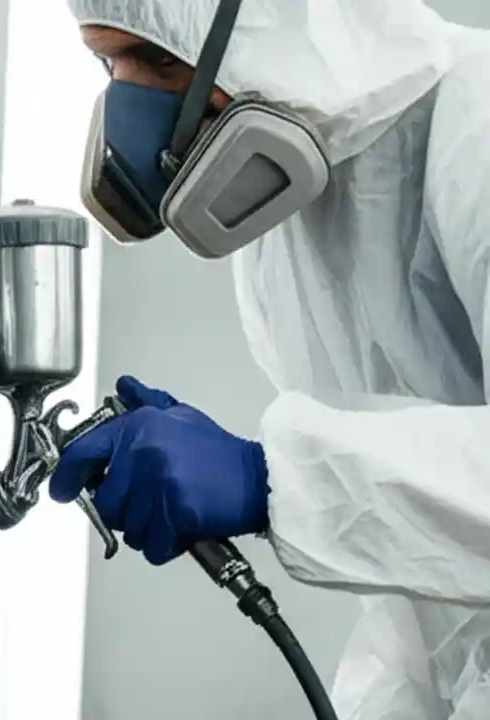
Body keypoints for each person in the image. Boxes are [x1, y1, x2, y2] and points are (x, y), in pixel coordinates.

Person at [48, 1, 490, 717]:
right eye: (108, 61)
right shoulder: (290, 218)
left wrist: (270, 477)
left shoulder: (477, 117)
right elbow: (431, 624)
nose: (131, 102)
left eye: (161, 61)